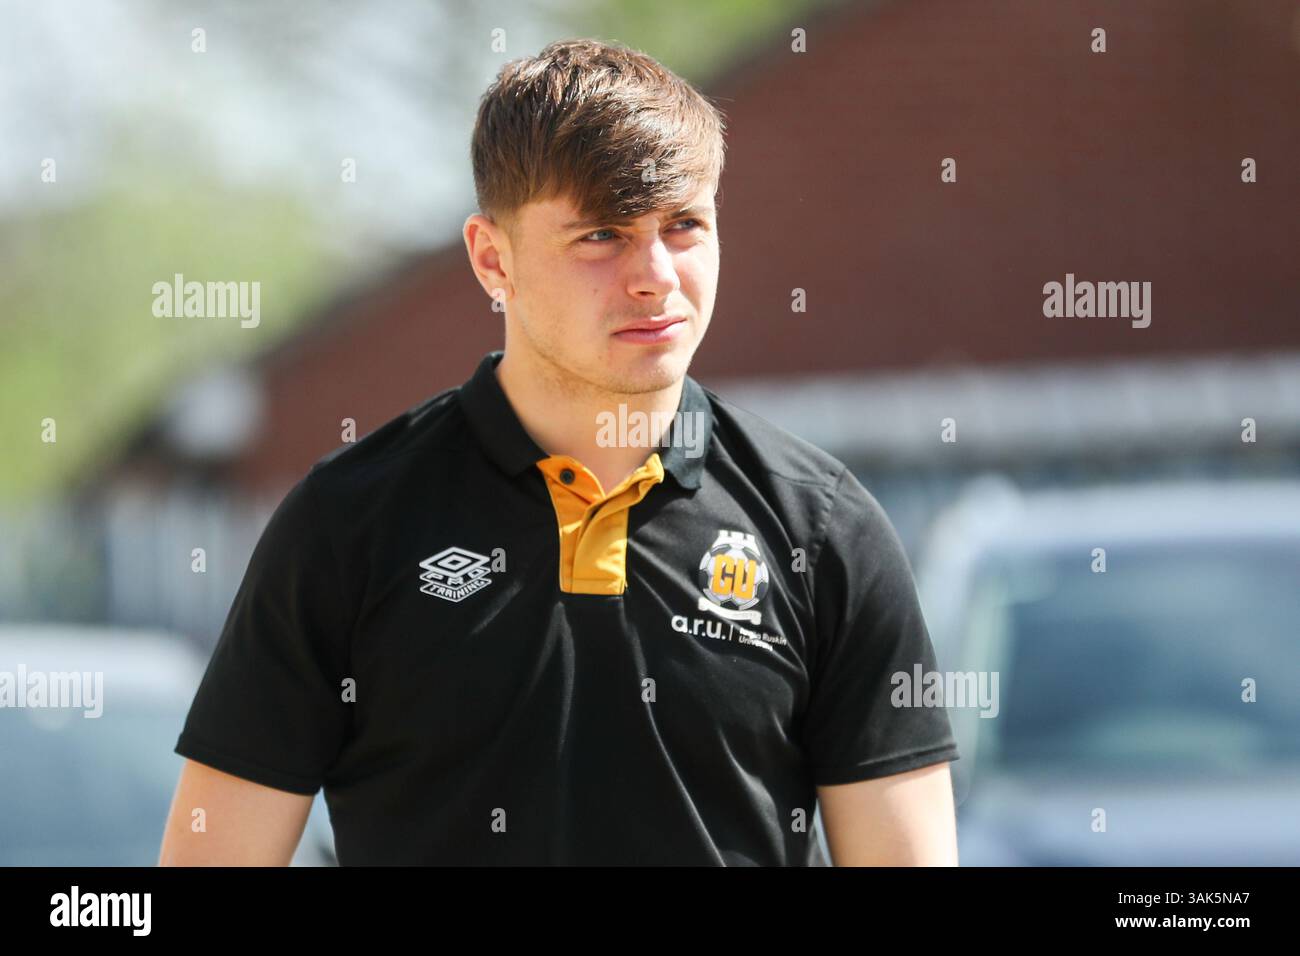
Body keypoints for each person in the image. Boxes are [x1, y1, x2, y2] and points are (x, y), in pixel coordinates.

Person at [159, 37, 959, 866]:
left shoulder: (823, 529)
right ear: (490, 257)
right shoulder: (346, 525)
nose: (655, 276)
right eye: (603, 235)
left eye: (684, 224)